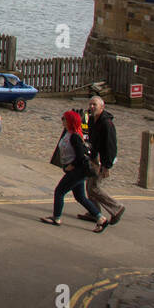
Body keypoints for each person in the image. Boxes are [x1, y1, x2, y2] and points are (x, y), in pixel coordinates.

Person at [42, 110, 107, 231]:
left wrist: (71, 166)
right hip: (77, 171)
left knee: (59, 191)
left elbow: (81, 157)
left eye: (64, 119)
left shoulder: (75, 137)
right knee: (80, 197)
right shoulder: (69, 133)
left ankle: (56, 218)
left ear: (70, 121)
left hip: (77, 171)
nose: (62, 120)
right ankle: (100, 218)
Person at [80, 96, 125, 225]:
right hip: (95, 158)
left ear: (102, 107)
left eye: (95, 105)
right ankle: (94, 212)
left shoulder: (107, 124)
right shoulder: (93, 119)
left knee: (94, 188)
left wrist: (106, 165)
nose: (92, 107)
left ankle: (116, 208)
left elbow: (111, 146)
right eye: (90, 104)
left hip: (103, 160)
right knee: (89, 187)